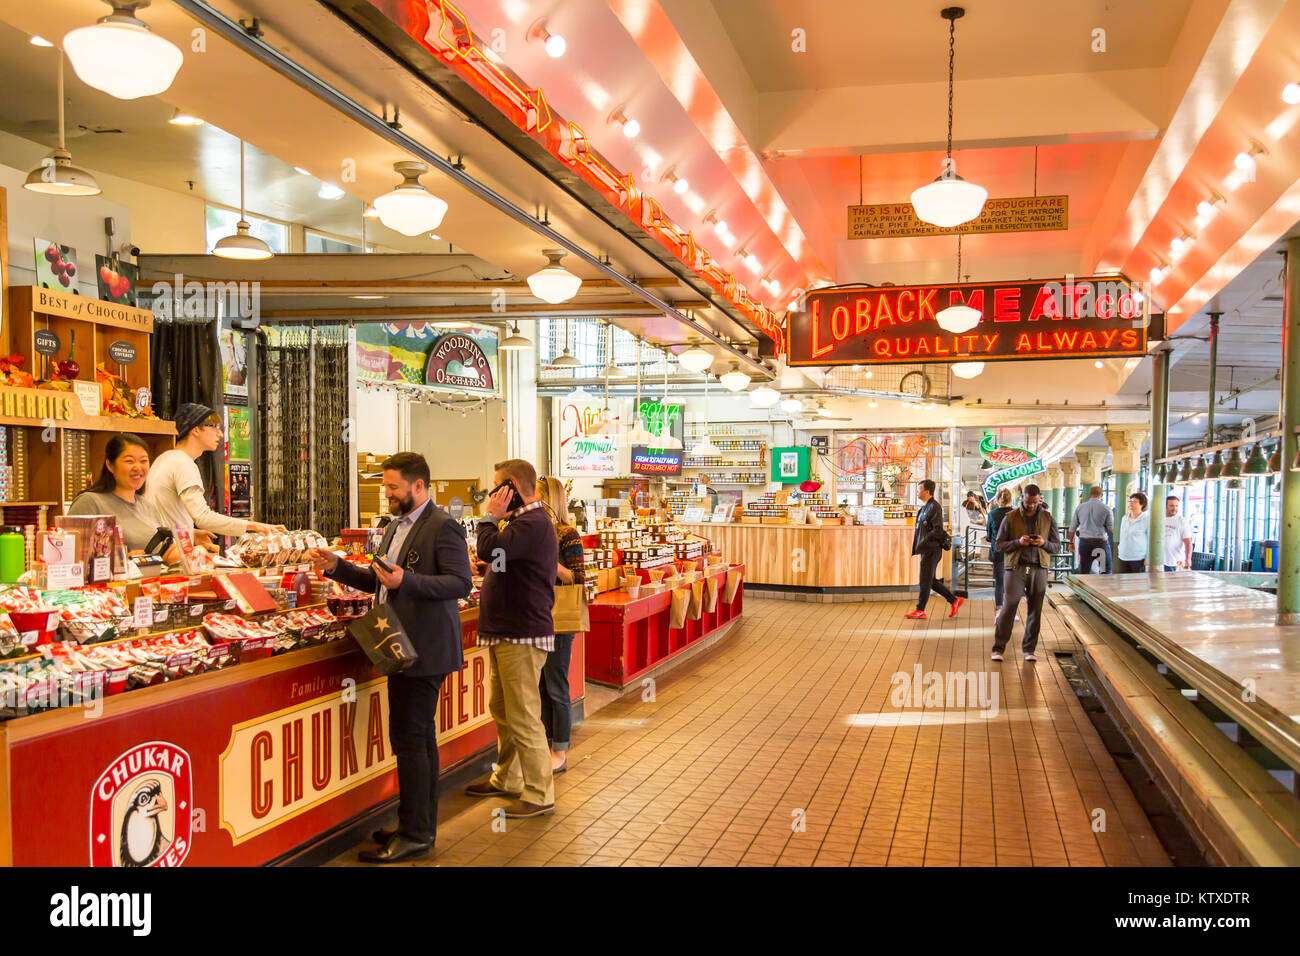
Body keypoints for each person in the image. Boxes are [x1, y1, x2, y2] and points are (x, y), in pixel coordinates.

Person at [311, 452, 472, 864]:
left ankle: (417, 834)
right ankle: (415, 822)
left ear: (418, 486)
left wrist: (409, 581)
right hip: (399, 645)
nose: (386, 494)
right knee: (416, 740)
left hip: (425, 649)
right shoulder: (393, 528)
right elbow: (379, 582)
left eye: (392, 487)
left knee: (411, 739)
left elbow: (460, 582)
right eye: (385, 487)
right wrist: (338, 568)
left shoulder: (442, 526)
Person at [465, 459, 559, 818]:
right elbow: (506, 559)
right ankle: (508, 778)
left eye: (496, 488)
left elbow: (490, 547)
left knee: (523, 715)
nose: (492, 496)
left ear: (513, 489)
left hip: (521, 634)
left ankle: (539, 793)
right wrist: (493, 569)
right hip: (506, 633)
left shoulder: (533, 522)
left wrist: (489, 517)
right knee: (504, 710)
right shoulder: (523, 523)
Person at [66, 433, 215, 567]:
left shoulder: (149, 507)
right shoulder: (89, 502)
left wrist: (193, 553)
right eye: (129, 461)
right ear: (110, 465)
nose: (138, 467)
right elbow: (70, 559)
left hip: (150, 591)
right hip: (109, 594)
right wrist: (121, 561)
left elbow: (166, 553)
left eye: (144, 461)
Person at [143, 403, 282, 538]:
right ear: (195, 429)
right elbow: (203, 517)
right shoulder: (183, 463)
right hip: (169, 554)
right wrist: (256, 526)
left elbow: (166, 515)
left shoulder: (166, 458)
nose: (220, 434)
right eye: (214, 427)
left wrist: (192, 533)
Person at [536, 475, 583, 774]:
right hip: (537, 616)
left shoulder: (568, 535)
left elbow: (578, 579)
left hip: (559, 619)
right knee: (541, 686)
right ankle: (547, 744)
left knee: (556, 685)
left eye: (538, 496)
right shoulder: (536, 532)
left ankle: (561, 751)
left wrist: (548, 564)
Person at [991, 483, 1060, 662]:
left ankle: (1029, 650)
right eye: (1028, 502)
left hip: (1039, 568)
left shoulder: (1048, 518)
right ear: (1022, 498)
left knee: (1035, 609)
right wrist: (1018, 543)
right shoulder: (1010, 517)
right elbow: (998, 545)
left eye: (1034, 502)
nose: (1031, 505)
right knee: (1009, 606)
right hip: (1016, 568)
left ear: (1039, 499)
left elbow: (1056, 546)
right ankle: (998, 648)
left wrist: (1043, 543)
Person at [906, 479, 962, 620]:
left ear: (927, 491)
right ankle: (954, 600)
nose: (917, 492)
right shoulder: (925, 508)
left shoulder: (935, 507)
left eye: (919, 489)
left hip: (932, 549)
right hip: (926, 549)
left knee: (925, 580)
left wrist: (925, 541)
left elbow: (937, 530)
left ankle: (920, 610)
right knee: (930, 580)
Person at [1069, 485, 1113, 574]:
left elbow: (1072, 528)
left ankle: (1083, 587)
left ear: (1090, 494)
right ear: (1101, 495)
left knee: (1084, 571)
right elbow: (1110, 529)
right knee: (1105, 571)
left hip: (1085, 544)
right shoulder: (1106, 509)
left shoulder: (1080, 508)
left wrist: (1071, 542)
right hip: (1100, 544)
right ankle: (1102, 587)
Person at [985, 486, 1015, 612]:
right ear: (1011, 499)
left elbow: (988, 535)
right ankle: (1010, 610)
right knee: (1012, 583)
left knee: (999, 582)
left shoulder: (992, 514)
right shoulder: (1016, 514)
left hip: (997, 552)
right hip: (1013, 553)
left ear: (997, 500)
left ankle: (999, 609)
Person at [1116, 491, 1150, 572]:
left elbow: (1150, 540)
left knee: (1136, 583)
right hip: (1123, 557)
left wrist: (1147, 557)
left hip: (1138, 558)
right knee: (1123, 583)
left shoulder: (1146, 519)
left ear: (1142, 504)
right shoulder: (1124, 518)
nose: (1131, 503)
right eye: (1130, 501)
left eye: (1134, 501)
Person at [1162, 496, 1194, 571]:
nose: (1174, 508)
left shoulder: (1182, 521)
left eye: (1176, 506)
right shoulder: (1159, 519)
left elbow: (1188, 542)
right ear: (1165, 506)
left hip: (1175, 563)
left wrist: (1188, 559)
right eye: (1171, 505)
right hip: (1160, 562)